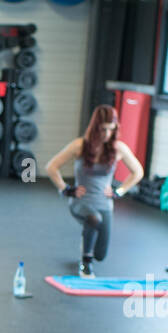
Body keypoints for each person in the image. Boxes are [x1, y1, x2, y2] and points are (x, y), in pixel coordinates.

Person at [44, 105, 143, 277]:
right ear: (95, 127)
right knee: (93, 219)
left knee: (101, 255)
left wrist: (119, 191)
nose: (106, 134)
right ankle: (85, 263)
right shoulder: (79, 145)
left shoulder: (118, 149)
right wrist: (66, 189)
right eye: (103, 129)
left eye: (110, 130)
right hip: (80, 202)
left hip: (104, 203)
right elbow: (51, 167)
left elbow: (138, 172)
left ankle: (88, 245)